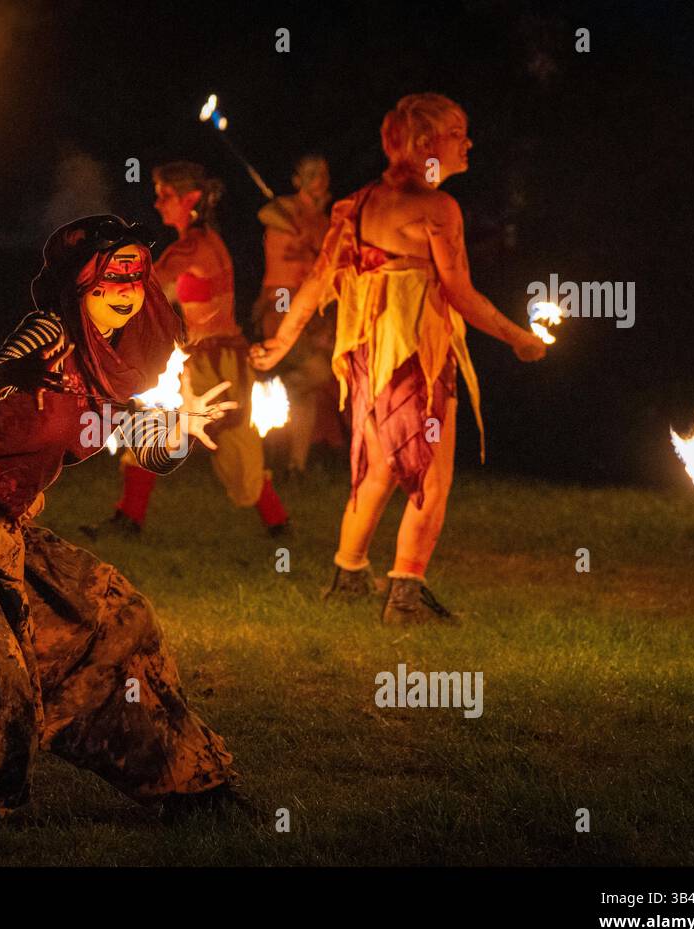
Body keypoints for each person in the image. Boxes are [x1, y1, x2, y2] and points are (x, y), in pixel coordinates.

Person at [0, 216, 244, 860]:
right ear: (80, 286)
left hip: (8, 529)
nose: (126, 290)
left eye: (136, 275)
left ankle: (189, 784)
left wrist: (182, 428)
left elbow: (151, 451)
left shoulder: (119, 368)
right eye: (110, 279)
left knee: (116, 620)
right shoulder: (51, 335)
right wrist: (11, 376)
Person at [252, 94, 546, 624]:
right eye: (459, 133)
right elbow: (459, 292)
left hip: (368, 358)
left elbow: (319, 282)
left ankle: (348, 577)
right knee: (431, 477)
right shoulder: (438, 209)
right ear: (426, 144)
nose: (469, 142)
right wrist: (516, 337)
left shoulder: (357, 204)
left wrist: (281, 342)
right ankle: (405, 596)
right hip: (417, 357)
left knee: (380, 469)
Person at [85, 162, 289, 538]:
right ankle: (129, 520)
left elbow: (145, 286)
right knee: (156, 429)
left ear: (190, 199)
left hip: (218, 364)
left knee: (238, 455)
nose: (158, 203)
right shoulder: (205, 241)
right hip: (206, 359)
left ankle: (279, 526)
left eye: (166, 195)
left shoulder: (192, 247)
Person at [252, 154, 343, 474]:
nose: (319, 178)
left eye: (323, 173)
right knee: (314, 371)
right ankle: (269, 396)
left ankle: (295, 465)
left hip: (312, 304)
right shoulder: (284, 209)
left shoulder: (326, 222)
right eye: (311, 173)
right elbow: (266, 213)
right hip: (280, 299)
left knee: (310, 388)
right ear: (297, 180)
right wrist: (300, 227)